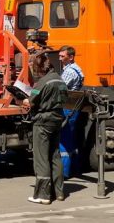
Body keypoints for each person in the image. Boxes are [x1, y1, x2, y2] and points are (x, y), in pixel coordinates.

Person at [22, 51, 67, 204]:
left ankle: (43, 195)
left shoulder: (41, 83)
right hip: (57, 119)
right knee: (55, 155)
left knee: (41, 159)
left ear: (40, 68)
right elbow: (65, 99)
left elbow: (31, 101)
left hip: (42, 122)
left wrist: (23, 99)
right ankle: (59, 192)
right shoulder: (60, 80)